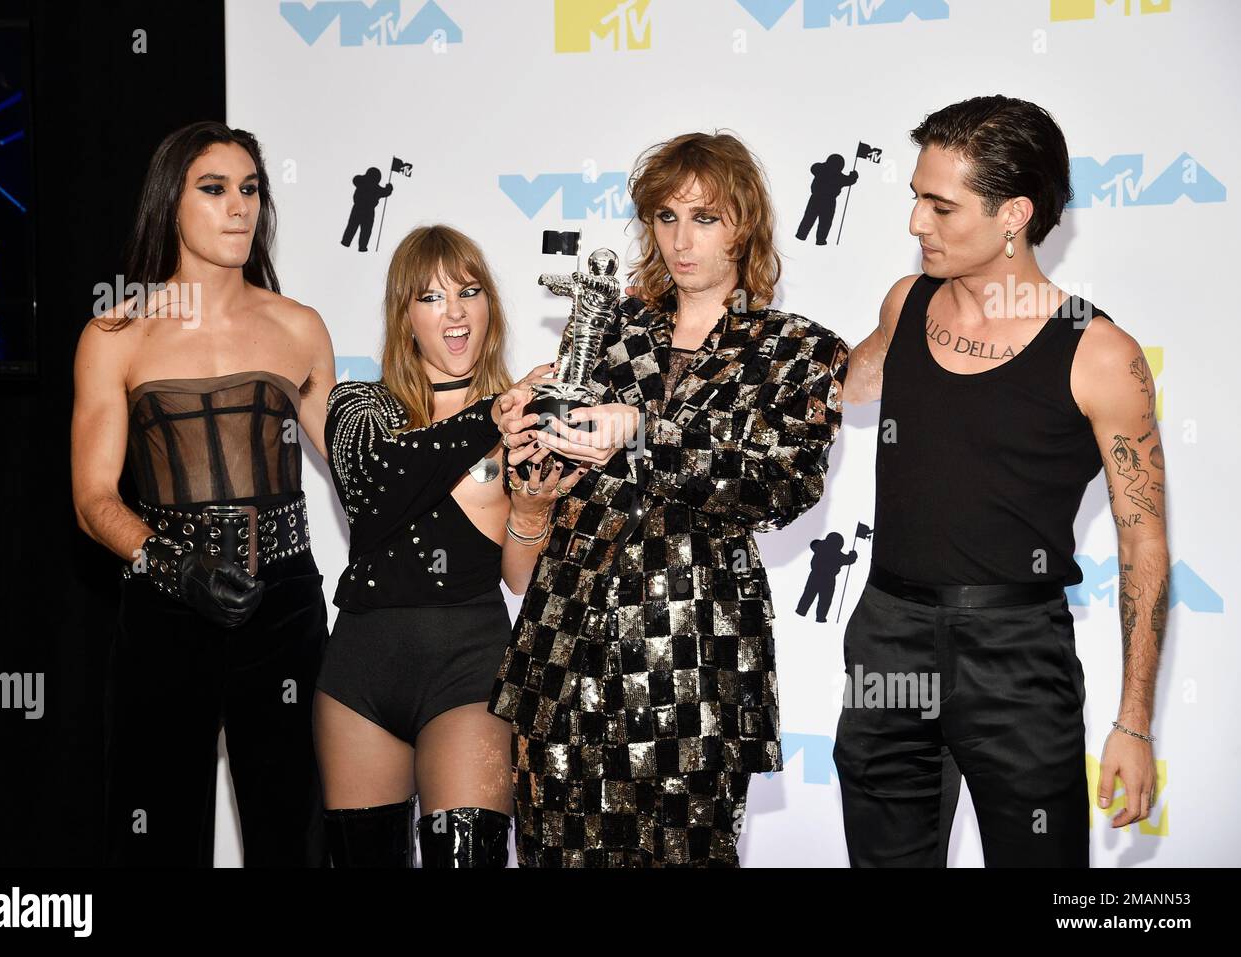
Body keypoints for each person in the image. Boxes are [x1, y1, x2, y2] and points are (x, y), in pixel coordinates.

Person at [488, 131, 851, 867]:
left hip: (697, 669)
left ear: (743, 222)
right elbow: (546, 482)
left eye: (705, 218)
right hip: (567, 656)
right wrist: (524, 444)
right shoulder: (611, 333)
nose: (682, 240)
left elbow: (784, 484)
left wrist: (645, 434)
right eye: (665, 217)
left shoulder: (799, 350)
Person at [837, 95, 1169, 867]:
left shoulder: (1099, 354)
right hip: (888, 639)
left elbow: (1143, 541)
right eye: (916, 197)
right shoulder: (905, 302)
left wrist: (1135, 721)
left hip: (1015, 656)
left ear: (1014, 213)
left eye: (940, 206)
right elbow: (830, 390)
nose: (916, 223)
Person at [71, 121, 338, 866]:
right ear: (171, 202)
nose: (239, 207)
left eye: (250, 189)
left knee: (296, 837)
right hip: (165, 606)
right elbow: (93, 499)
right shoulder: (115, 333)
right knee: (151, 833)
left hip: (284, 603)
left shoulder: (299, 326)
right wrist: (176, 566)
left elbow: (361, 472)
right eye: (215, 188)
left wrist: (480, 419)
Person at [316, 224, 582, 866]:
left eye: (469, 291)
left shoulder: (527, 422)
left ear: (491, 304)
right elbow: (378, 488)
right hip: (360, 677)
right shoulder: (361, 407)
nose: (455, 312)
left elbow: (520, 578)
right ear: (404, 316)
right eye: (431, 298)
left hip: (471, 671)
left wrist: (530, 509)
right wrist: (489, 413)